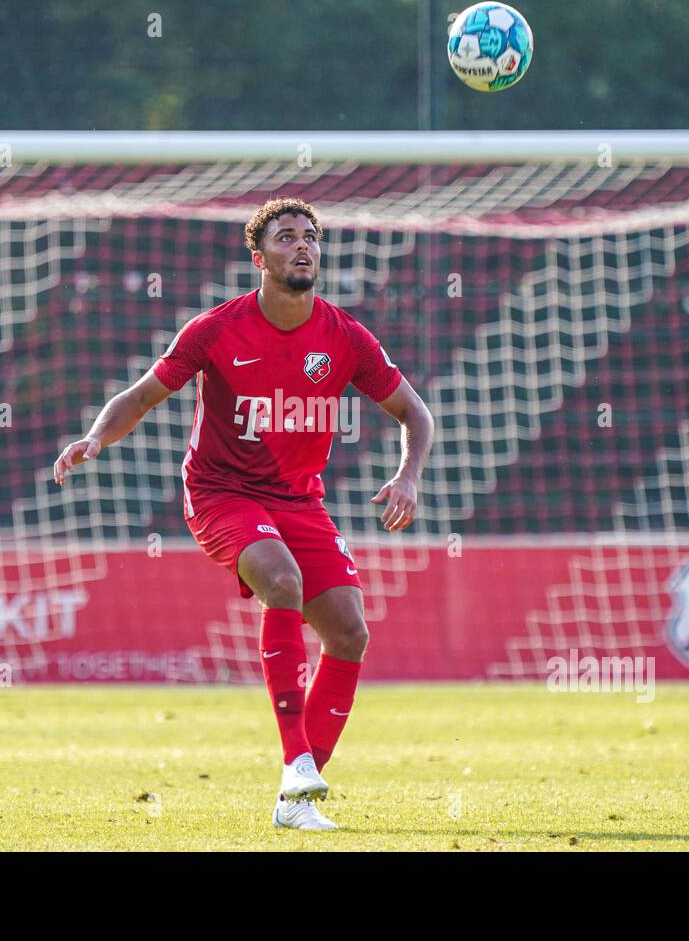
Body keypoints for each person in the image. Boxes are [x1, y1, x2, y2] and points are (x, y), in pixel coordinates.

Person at [53, 197, 434, 830]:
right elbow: (143, 395)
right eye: (287, 238)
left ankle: (294, 805)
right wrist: (96, 437)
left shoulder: (343, 335)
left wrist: (407, 476)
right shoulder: (216, 329)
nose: (303, 246)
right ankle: (297, 763)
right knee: (282, 582)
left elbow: (414, 413)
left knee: (349, 632)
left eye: (310, 236)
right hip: (220, 493)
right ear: (259, 258)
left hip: (299, 501)